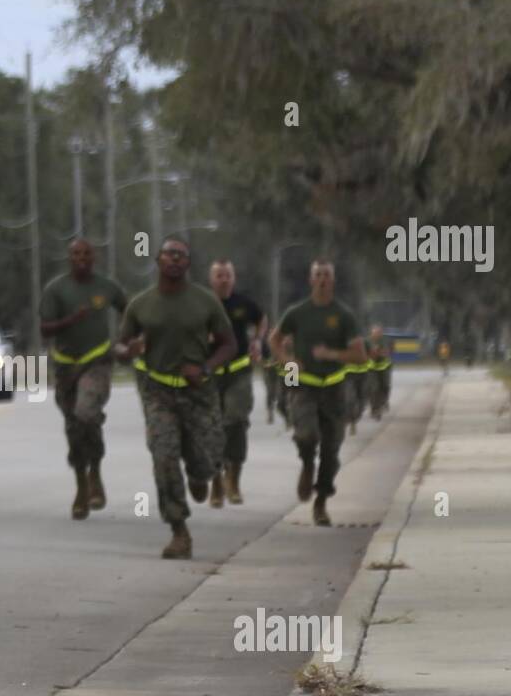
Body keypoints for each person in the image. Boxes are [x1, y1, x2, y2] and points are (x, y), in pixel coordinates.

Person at [114, 237, 235, 559]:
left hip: (198, 391)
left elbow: (228, 344)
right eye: (169, 254)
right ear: (158, 260)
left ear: (188, 264)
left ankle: (200, 474)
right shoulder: (141, 304)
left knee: (207, 458)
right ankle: (179, 530)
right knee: (163, 455)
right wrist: (129, 351)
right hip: (157, 391)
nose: (174, 260)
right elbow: (120, 347)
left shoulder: (206, 302)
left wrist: (207, 368)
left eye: (181, 256)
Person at [269, 260, 366, 527]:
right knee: (305, 434)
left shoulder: (344, 315)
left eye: (326, 275)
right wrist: (287, 361)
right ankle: (306, 464)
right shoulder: (298, 312)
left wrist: (332, 353)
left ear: (332, 281)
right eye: (317, 275)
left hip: (335, 388)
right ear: (311, 280)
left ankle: (321, 500)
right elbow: (274, 339)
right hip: (304, 387)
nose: (322, 279)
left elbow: (360, 355)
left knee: (332, 450)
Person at [40, 239, 128, 519]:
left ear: (95, 257)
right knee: (74, 424)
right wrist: (71, 320)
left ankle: (96, 474)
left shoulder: (106, 287)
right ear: (69, 258)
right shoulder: (56, 289)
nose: (82, 258)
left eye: (87, 254)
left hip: (98, 362)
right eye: (76, 254)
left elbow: (129, 311)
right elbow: (45, 329)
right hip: (66, 367)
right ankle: (81, 484)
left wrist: (127, 341)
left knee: (86, 412)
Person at [207, 260, 266, 506]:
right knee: (212, 427)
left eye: (228, 275)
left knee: (236, 421)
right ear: (212, 279)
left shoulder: (243, 304)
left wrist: (258, 341)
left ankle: (234, 479)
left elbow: (262, 318)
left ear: (234, 278)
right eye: (219, 275)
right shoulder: (203, 305)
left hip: (239, 372)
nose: (224, 280)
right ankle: (216, 482)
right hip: (210, 374)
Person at [366, 324, 393, 420]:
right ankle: (375, 409)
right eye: (374, 333)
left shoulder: (385, 340)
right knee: (374, 389)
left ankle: (384, 402)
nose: (376, 334)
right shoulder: (367, 341)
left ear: (381, 333)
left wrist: (379, 352)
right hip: (371, 369)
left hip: (384, 367)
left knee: (385, 386)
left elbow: (387, 352)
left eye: (378, 332)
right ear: (371, 333)